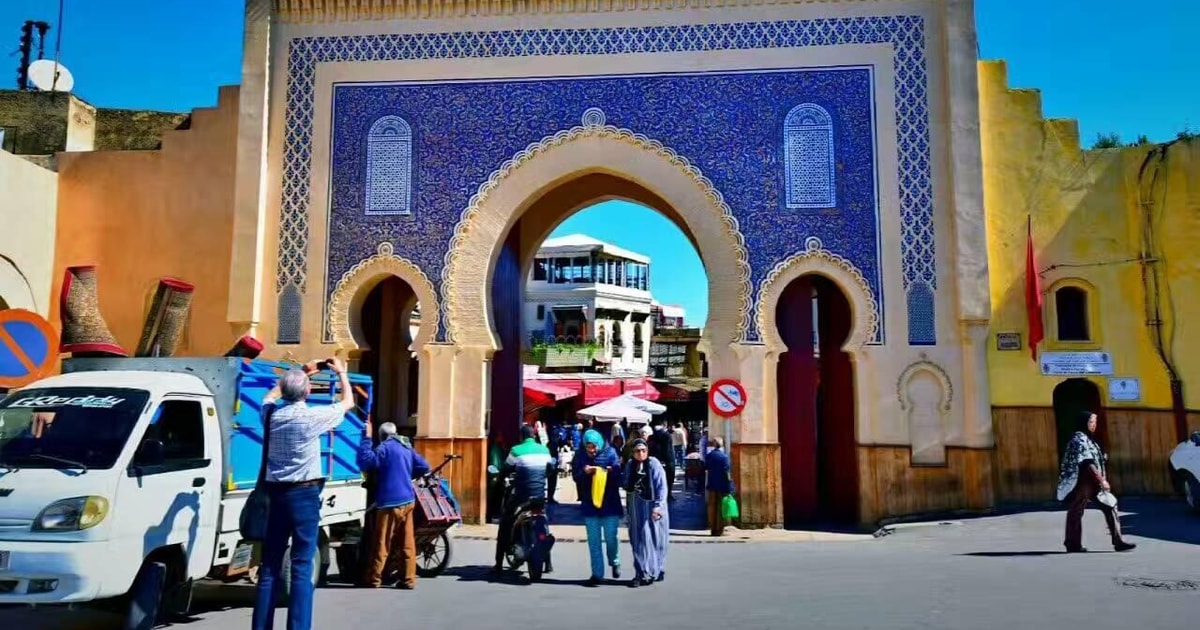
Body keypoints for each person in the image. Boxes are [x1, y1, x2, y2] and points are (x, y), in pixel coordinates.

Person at [252, 358, 356, 630]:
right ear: (307, 392)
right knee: (300, 567)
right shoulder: (311, 417)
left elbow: (268, 396)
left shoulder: (270, 415)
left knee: (270, 567)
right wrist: (342, 372)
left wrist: (301, 371)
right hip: (304, 496)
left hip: (276, 495)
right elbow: (348, 403)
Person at [356, 420, 431, 589]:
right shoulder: (406, 446)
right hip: (408, 500)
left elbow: (366, 462)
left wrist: (366, 439)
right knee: (407, 542)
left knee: (382, 542)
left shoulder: (384, 448)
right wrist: (407, 474)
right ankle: (409, 579)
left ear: (382, 436)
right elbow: (424, 466)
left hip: (390, 502)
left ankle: (374, 579)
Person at [1057, 411, 1136, 553]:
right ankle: (1072, 544)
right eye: (1091, 422)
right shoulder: (1079, 439)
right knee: (1077, 510)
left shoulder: (1089, 439)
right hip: (1083, 482)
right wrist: (1101, 480)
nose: (1094, 425)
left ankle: (1118, 542)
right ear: (1084, 423)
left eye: (1094, 422)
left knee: (1110, 505)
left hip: (1093, 482)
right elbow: (1086, 462)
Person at [493, 423, 556, 575]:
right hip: (540, 497)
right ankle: (548, 564)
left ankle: (498, 564)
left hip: (521, 497)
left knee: (505, 523)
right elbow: (550, 470)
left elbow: (505, 470)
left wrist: (499, 482)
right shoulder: (544, 450)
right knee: (543, 525)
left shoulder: (516, 451)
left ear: (521, 437)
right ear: (534, 436)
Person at [572, 429, 624, 586]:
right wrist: (584, 471)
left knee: (611, 538)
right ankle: (597, 574)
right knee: (593, 541)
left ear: (599, 444)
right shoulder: (580, 455)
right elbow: (576, 476)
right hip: (590, 504)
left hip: (610, 504)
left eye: (593, 447)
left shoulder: (610, 453)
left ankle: (614, 561)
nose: (592, 451)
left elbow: (618, 475)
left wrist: (609, 471)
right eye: (588, 447)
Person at [624, 438, 669, 587]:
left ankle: (656, 569)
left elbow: (661, 487)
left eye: (643, 450)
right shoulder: (630, 465)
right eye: (637, 451)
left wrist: (658, 507)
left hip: (652, 507)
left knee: (655, 539)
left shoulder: (654, 464)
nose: (640, 453)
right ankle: (640, 572)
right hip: (636, 508)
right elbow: (626, 485)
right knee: (638, 540)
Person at [703, 437, 734, 537]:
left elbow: (706, 467)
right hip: (722, 486)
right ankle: (719, 529)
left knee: (712, 507)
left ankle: (713, 528)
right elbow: (727, 473)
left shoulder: (709, 456)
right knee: (720, 508)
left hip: (712, 485)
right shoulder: (724, 457)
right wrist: (730, 488)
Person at [648, 421, 676, 500]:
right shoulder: (667, 436)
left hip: (655, 460)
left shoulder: (652, 436)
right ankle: (668, 495)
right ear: (665, 425)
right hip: (667, 461)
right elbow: (668, 451)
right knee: (669, 478)